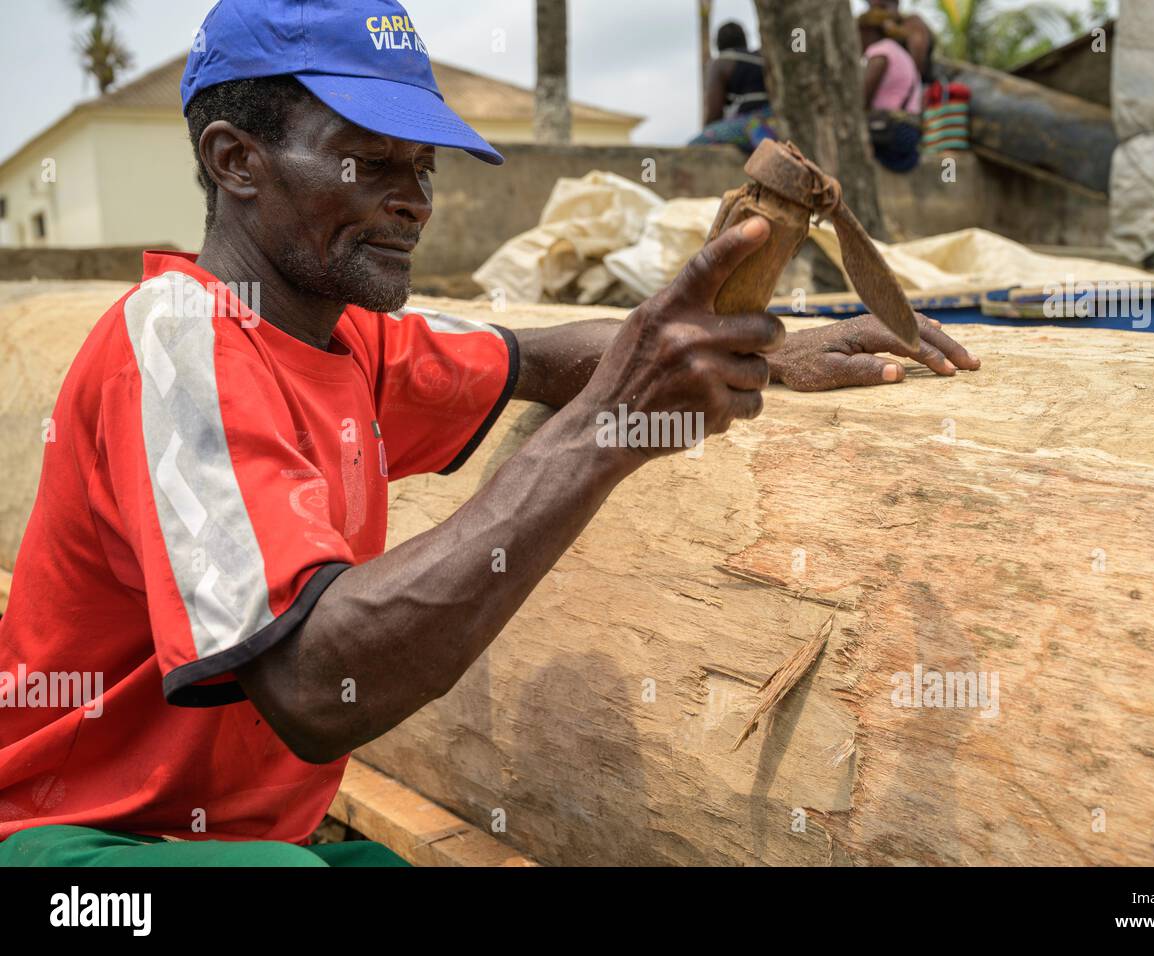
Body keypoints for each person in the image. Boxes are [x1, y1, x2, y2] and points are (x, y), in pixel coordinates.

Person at [0, 0, 978, 866]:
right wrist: (609, 429)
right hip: (73, 846)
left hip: (246, 841)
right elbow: (312, 682)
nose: (414, 202)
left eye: (421, 169)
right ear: (235, 161)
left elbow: (540, 354)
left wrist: (768, 352)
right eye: (371, 163)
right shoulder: (175, 344)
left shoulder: (352, 342)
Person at [689, 22, 776, 155]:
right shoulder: (761, 56)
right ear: (745, 40)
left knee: (696, 145)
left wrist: (709, 130)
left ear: (717, 44)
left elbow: (714, 113)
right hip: (776, 120)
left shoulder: (721, 62)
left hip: (754, 124)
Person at [859, 10, 924, 173]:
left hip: (893, 134)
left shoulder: (880, 53)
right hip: (909, 134)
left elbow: (862, 100)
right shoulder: (897, 50)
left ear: (866, 31)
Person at [868, 0, 937, 84]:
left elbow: (916, 67)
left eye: (883, 7)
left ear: (896, 3)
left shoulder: (913, 23)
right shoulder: (873, 30)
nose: (878, 11)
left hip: (919, 87)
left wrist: (895, 32)